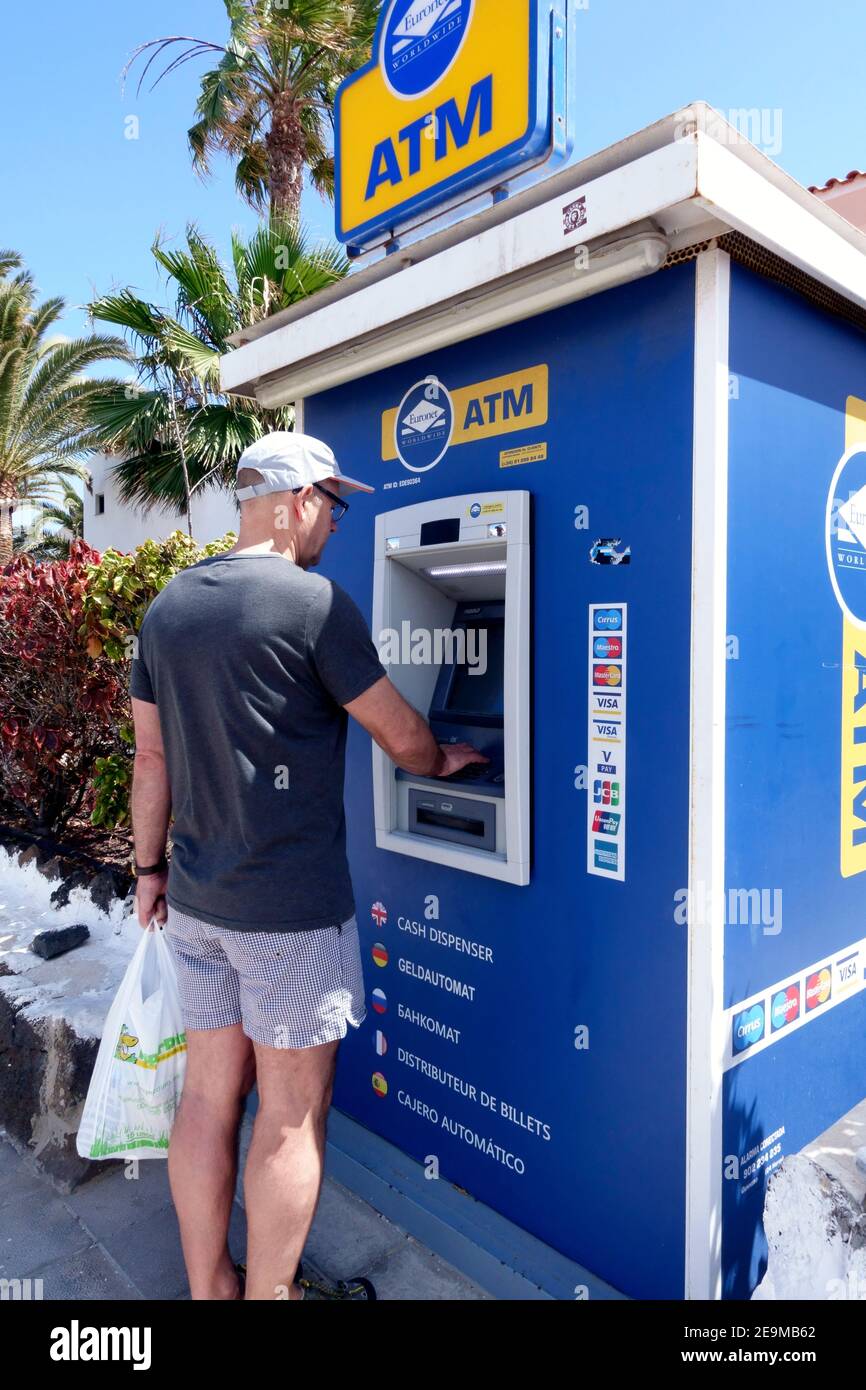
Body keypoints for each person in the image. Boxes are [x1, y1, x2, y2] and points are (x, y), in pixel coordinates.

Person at [129, 431, 485, 1301]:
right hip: (290, 915)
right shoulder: (315, 605)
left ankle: (212, 1286)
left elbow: (151, 762)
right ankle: (271, 1297)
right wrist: (446, 763)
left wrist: (148, 874)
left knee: (210, 1102)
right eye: (332, 504)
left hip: (202, 905)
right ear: (292, 504)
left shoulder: (169, 607)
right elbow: (403, 738)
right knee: (291, 1116)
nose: (336, 523)